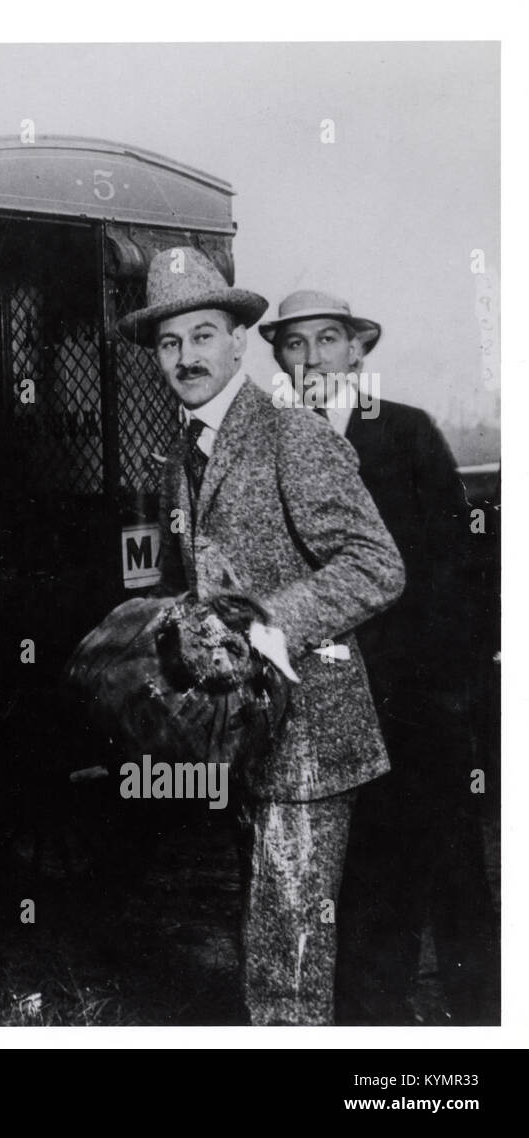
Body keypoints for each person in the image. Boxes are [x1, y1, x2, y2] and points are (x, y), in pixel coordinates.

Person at [117, 248, 405, 1025]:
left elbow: (378, 567)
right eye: (170, 343)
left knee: (291, 966)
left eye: (203, 336)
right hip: (249, 740)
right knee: (272, 945)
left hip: (313, 738)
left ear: (240, 340)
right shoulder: (185, 452)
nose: (186, 357)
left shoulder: (290, 436)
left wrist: (266, 627)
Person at [262, 291, 498, 1023]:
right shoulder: (280, 444)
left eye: (327, 341)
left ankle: (483, 1010)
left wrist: (451, 689)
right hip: (336, 699)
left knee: (454, 864)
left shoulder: (406, 432)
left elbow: (457, 567)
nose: (312, 359)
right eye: (295, 347)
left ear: (357, 351)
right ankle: (380, 1026)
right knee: (370, 870)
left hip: (420, 697)